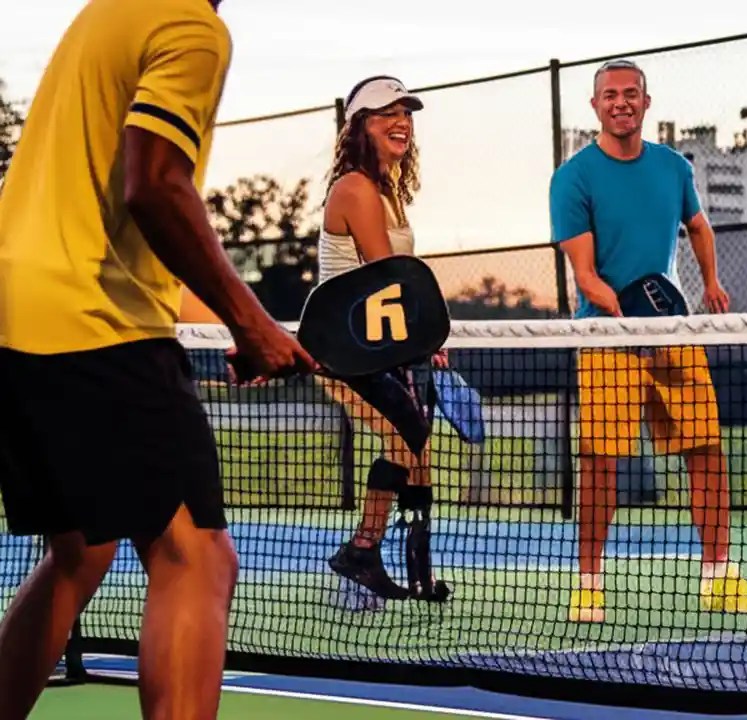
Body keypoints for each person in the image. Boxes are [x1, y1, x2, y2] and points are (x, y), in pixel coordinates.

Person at [0, 0, 316, 718]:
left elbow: (105, 196)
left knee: (83, 550)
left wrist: (244, 326)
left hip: (16, 315)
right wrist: (251, 320)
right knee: (198, 555)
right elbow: (156, 184)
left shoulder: (104, 15)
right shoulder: (190, 27)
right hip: (94, 322)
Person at [549, 59, 747, 623]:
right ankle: (589, 584)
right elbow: (586, 276)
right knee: (600, 461)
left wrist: (713, 281)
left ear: (647, 103)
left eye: (631, 94)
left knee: (706, 450)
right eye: (610, 95)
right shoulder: (572, 177)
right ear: (595, 105)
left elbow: (698, 225)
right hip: (606, 335)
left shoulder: (674, 167)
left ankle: (719, 577)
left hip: (672, 331)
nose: (621, 102)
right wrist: (627, 320)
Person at [316, 75, 450, 607]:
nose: (401, 121)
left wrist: (423, 338)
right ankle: (361, 553)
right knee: (406, 440)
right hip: (341, 354)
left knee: (417, 449)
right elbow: (385, 275)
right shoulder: (355, 188)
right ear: (357, 127)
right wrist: (422, 336)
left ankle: (404, 567)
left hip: (377, 346)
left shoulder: (387, 190)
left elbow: (400, 284)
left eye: (406, 112)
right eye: (384, 113)